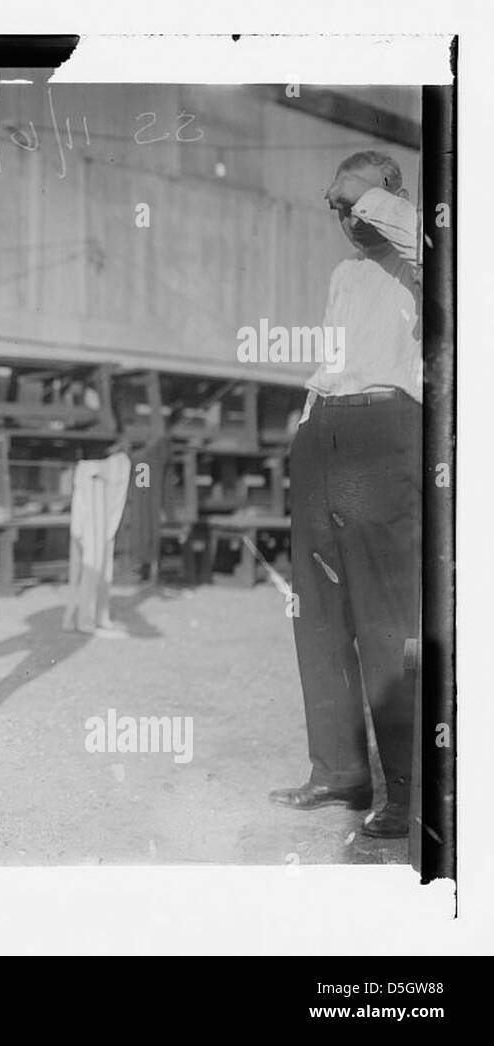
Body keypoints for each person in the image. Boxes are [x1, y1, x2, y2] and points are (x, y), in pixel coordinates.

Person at [269, 151, 421, 839]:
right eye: (336, 209)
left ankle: (409, 792)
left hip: (383, 429)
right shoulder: (343, 275)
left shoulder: (422, 264)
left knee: (384, 621)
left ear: (391, 200)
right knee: (318, 610)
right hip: (324, 433)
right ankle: (339, 770)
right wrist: (304, 433)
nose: (345, 219)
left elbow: (427, 236)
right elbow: (330, 364)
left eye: (357, 207)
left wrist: (361, 194)